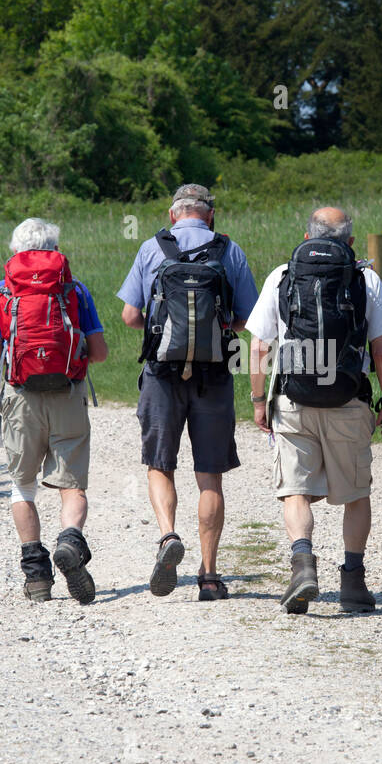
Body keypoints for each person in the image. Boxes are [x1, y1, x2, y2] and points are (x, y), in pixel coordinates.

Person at [247, 206, 382, 614]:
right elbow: (381, 350)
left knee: (295, 490)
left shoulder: (282, 276)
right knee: (355, 494)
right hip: (349, 400)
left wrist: (259, 401)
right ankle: (352, 582)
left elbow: (260, 346)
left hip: (294, 401)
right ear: (351, 242)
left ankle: (302, 565)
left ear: (307, 236)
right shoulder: (365, 278)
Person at [118, 184, 259, 601]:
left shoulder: (152, 248)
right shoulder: (229, 251)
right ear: (210, 215)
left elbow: (129, 316)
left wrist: (165, 331)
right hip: (215, 375)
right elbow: (247, 317)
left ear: (173, 213)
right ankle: (211, 577)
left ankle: (167, 537)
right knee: (209, 476)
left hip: (162, 374)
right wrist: (212, 332)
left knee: (160, 464)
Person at [0, 218, 108, 604]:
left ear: (15, 249)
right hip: (68, 394)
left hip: (21, 397)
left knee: (23, 485)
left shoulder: (2, 290)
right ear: (54, 249)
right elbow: (100, 353)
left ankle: (37, 577)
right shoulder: (75, 290)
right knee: (72, 484)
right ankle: (69, 540)